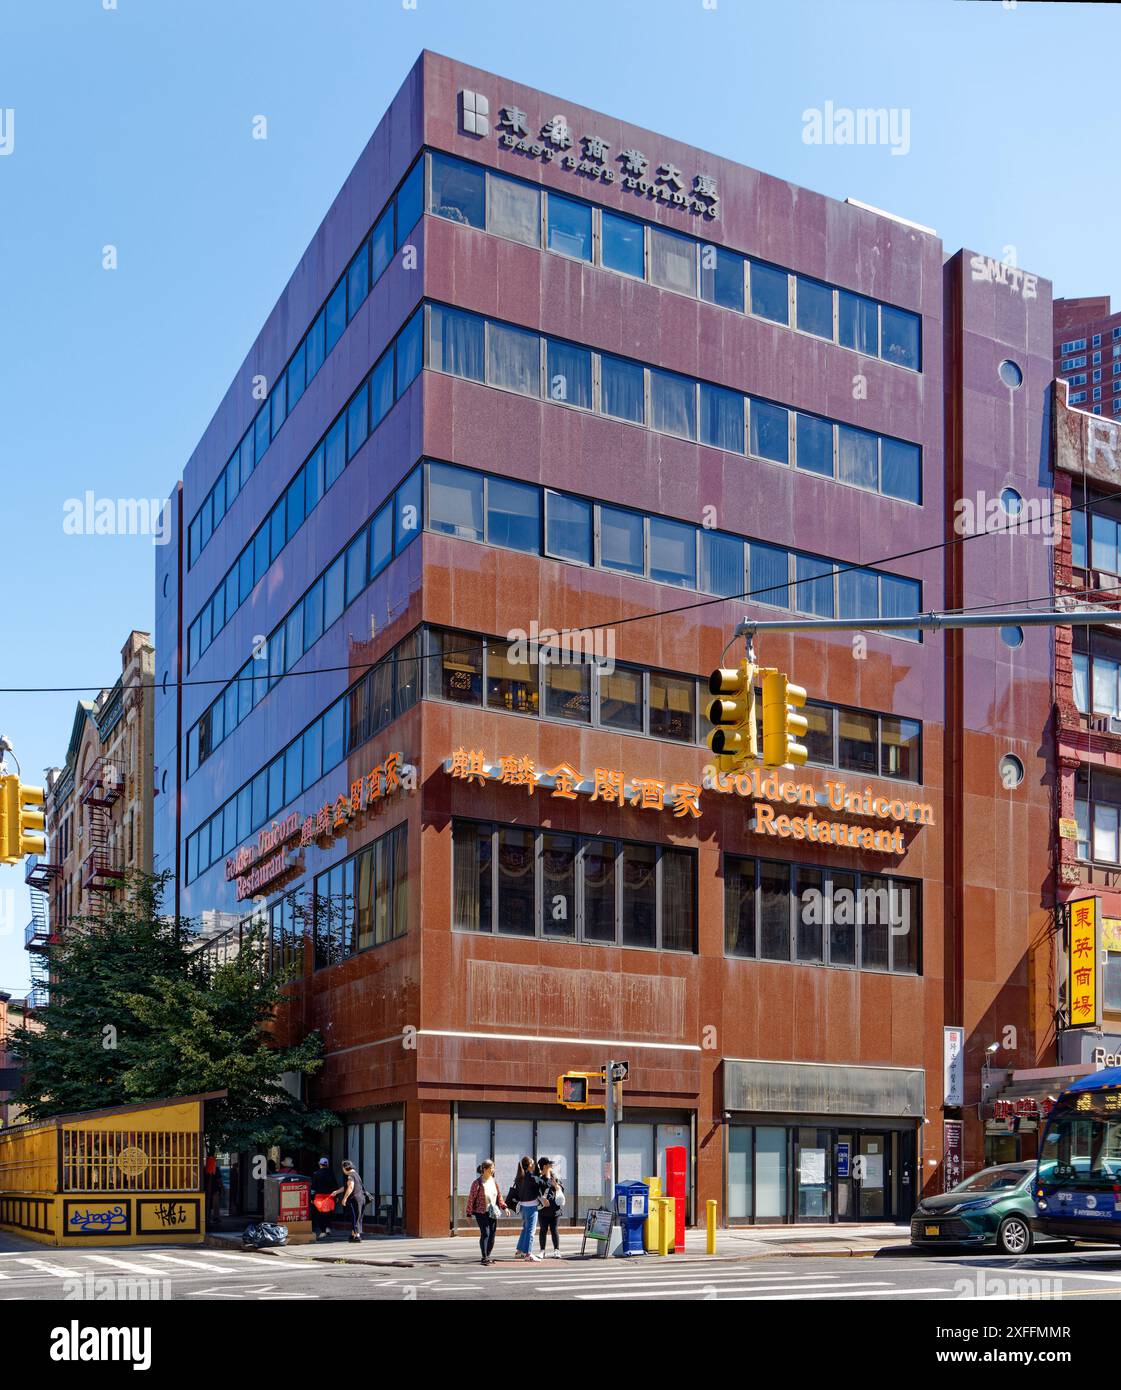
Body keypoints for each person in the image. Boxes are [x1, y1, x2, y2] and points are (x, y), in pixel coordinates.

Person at [465, 1159, 508, 1265]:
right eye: (491, 1168)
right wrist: (468, 1214)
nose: (493, 1170)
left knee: (492, 1234)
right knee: (486, 1233)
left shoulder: (493, 1181)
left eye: (493, 1168)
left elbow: (499, 1196)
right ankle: (484, 1257)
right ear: (484, 1169)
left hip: (492, 1212)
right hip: (481, 1212)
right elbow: (471, 1198)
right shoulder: (477, 1183)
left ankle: (488, 1255)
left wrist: (504, 1207)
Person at [513, 1156, 545, 1261]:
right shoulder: (532, 1177)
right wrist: (544, 1175)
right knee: (531, 1230)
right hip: (531, 1206)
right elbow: (543, 1184)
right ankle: (528, 1254)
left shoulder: (519, 1177)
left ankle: (519, 1251)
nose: (534, 1164)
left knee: (525, 1229)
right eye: (533, 1163)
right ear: (530, 1165)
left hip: (523, 1206)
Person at [536, 1156, 565, 1258]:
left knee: (554, 1230)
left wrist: (556, 1186)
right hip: (543, 1210)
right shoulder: (539, 1179)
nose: (552, 1165)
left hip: (555, 1210)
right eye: (549, 1164)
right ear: (545, 1166)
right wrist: (541, 1199)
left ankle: (556, 1250)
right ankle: (542, 1251)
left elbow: (561, 1190)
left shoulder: (555, 1177)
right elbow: (534, 1193)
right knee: (543, 1230)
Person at [333, 1159, 366, 1242]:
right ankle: (353, 1234)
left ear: (345, 1168)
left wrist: (344, 1198)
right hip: (360, 1198)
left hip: (354, 1199)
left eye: (342, 1168)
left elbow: (350, 1187)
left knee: (354, 1216)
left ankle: (357, 1236)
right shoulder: (356, 1174)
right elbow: (346, 1187)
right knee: (357, 1216)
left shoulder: (350, 1175)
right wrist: (337, 1192)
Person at [310, 1156, 337, 1241]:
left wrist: (312, 1197)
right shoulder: (331, 1173)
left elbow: (313, 1187)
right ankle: (328, 1227)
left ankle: (323, 1231)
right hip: (329, 1196)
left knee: (320, 1214)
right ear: (327, 1164)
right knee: (328, 1212)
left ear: (319, 1164)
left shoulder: (316, 1174)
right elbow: (335, 1185)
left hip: (319, 1197)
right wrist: (336, 1196)